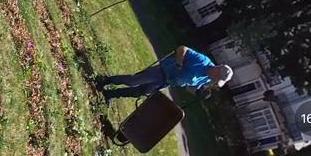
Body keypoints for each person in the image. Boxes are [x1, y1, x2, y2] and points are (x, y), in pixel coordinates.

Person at [96, 46, 233, 101]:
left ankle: (111, 94)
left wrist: (197, 93)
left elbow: (189, 86)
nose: (215, 80)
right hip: (162, 72)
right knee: (133, 81)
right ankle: (105, 80)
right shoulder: (202, 61)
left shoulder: (205, 79)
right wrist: (179, 64)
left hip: (166, 82)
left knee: (138, 92)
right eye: (218, 78)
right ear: (217, 69)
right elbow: (182, 49)